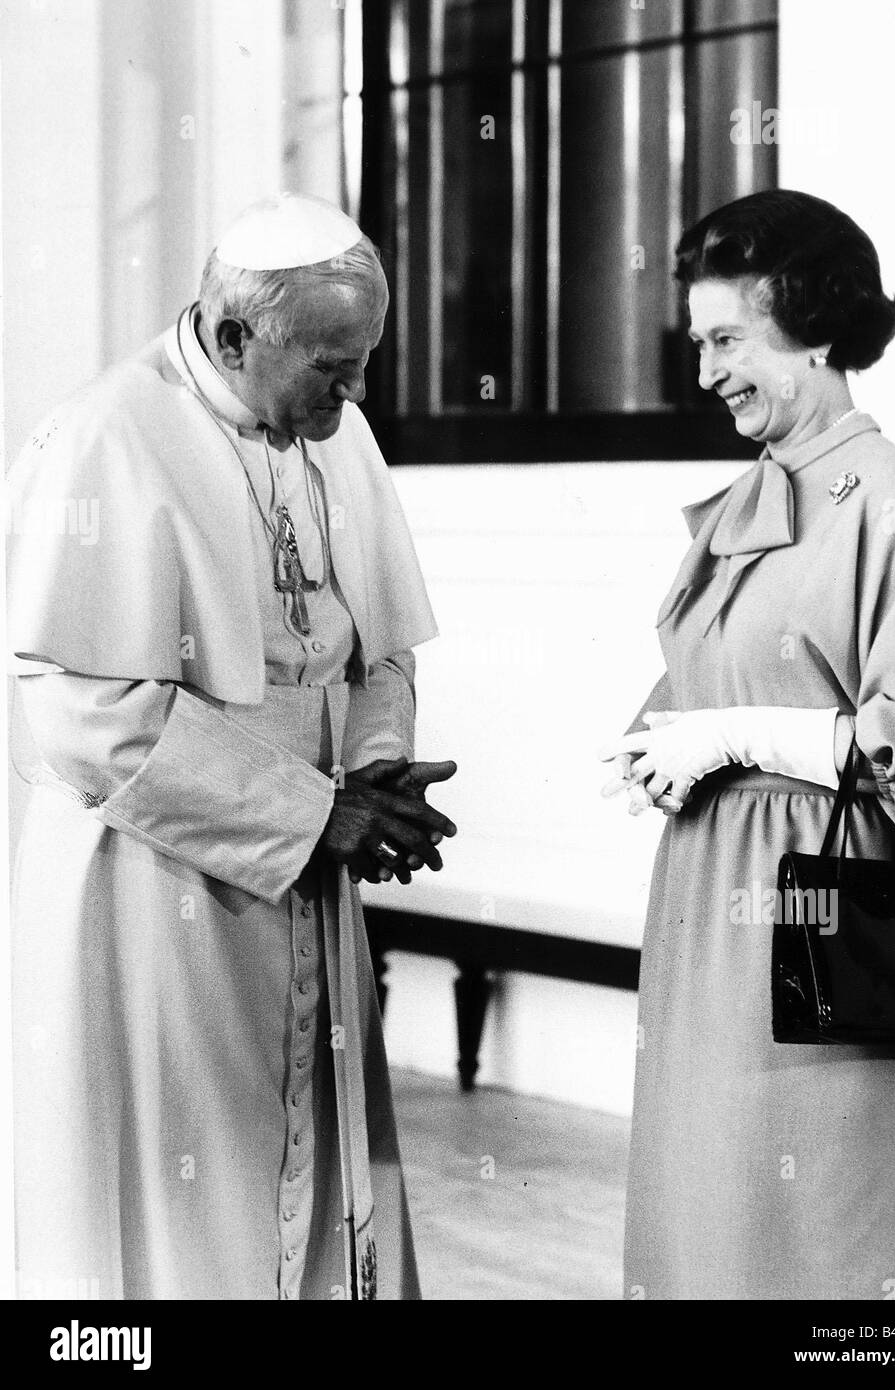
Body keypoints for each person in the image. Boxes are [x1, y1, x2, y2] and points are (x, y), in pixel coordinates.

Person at [7, 193, 457, 1300]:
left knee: (314, 1159)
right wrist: (310, 813)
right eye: (331, 369)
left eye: (364, 365)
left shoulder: (331, 434)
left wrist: (375, 768)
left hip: (310, 860)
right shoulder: (109, 433)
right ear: (231, 336)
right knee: (180, 1187)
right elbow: (82, 711)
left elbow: (377, 652)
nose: (355, 397)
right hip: (157, 881)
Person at [601, 189, 895, 1300]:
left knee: (814, 1240)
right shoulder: (751, 496)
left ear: (814, 330)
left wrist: (740, 733)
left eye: (727, 339)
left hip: (830, 915)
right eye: (698, 341)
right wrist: (663, 733)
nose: (708, 368)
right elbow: (727, 669)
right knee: (705, 1222)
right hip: (711, 906)